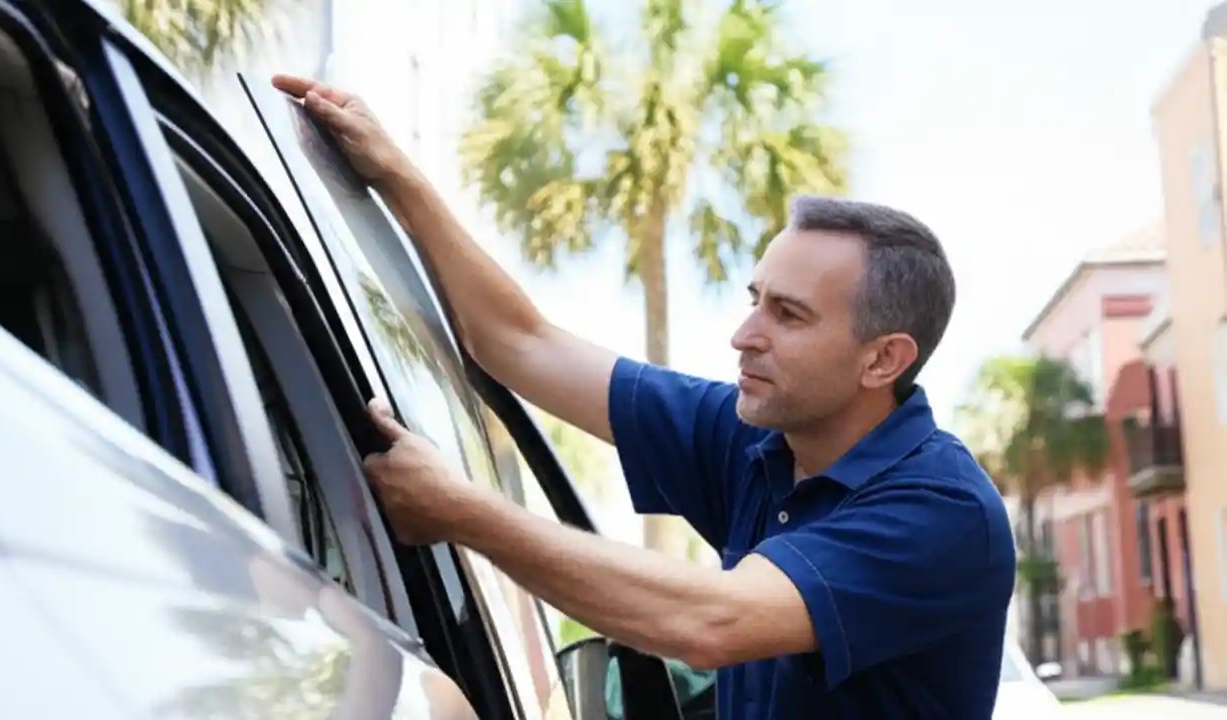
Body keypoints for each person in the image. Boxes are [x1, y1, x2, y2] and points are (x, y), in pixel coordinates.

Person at [271, 73, 1017, 719]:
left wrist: (461, 512)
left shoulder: (939, 511)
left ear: (883, 360)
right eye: (755, 299)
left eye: (787, 316)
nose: (743, 335)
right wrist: (397, 175)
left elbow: (712, 622)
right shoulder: (754, 436)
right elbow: (522, 343)